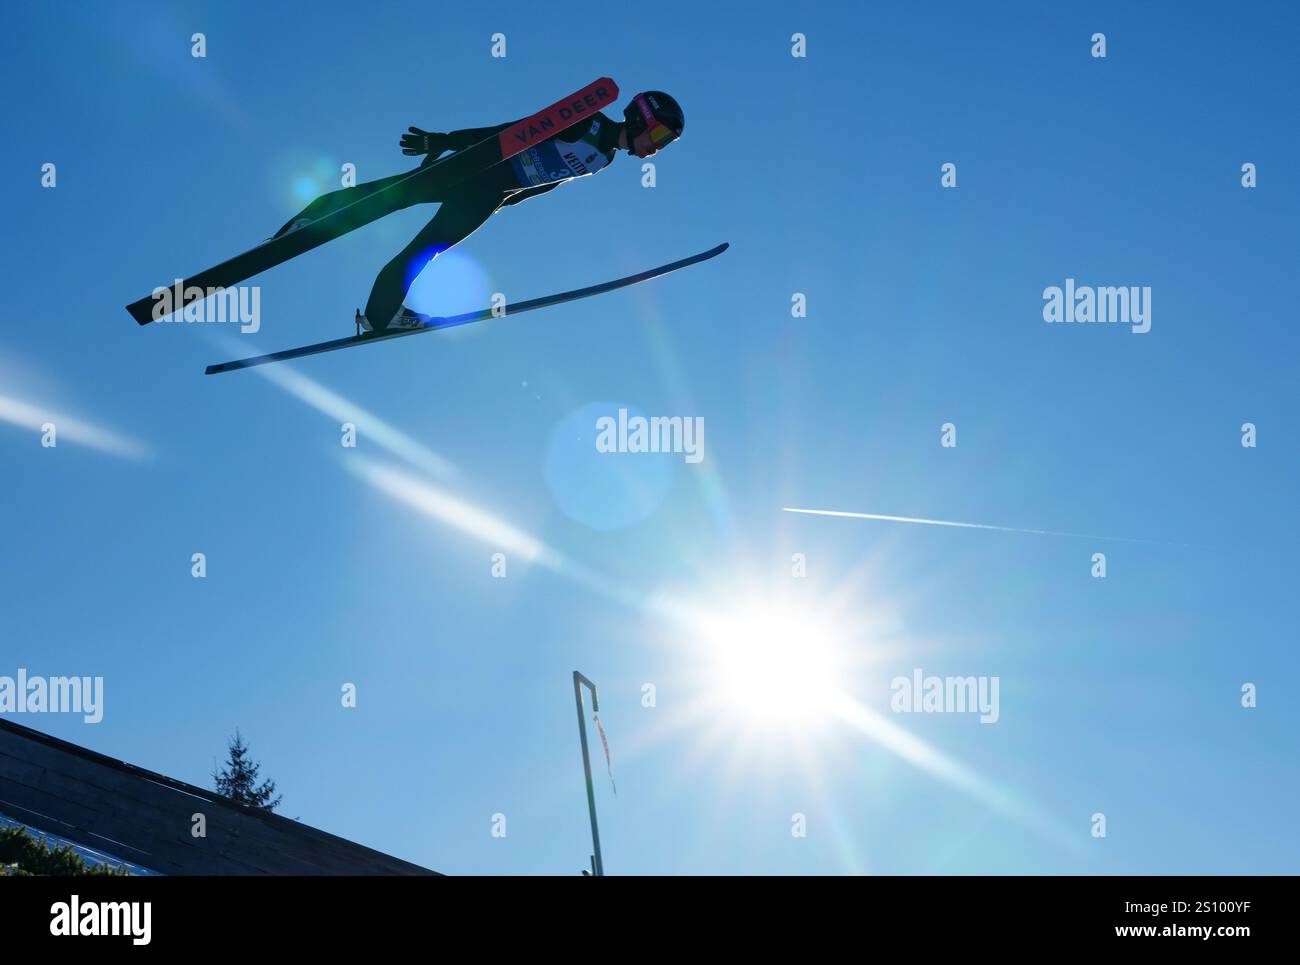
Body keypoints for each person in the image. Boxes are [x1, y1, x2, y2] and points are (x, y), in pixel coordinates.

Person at [273, 91, 685, 333]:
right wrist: (447, 140)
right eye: (660, 135)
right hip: (478, 166)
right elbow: (515, 130)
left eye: (666, 144)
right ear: (641, 117)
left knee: (425, 250)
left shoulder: (604, 160)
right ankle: (310, 218)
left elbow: (552, 178)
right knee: (391, 197)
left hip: (491, 193)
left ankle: (380, 314)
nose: (657, 148)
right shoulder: (587, 123)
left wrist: (508, 200)